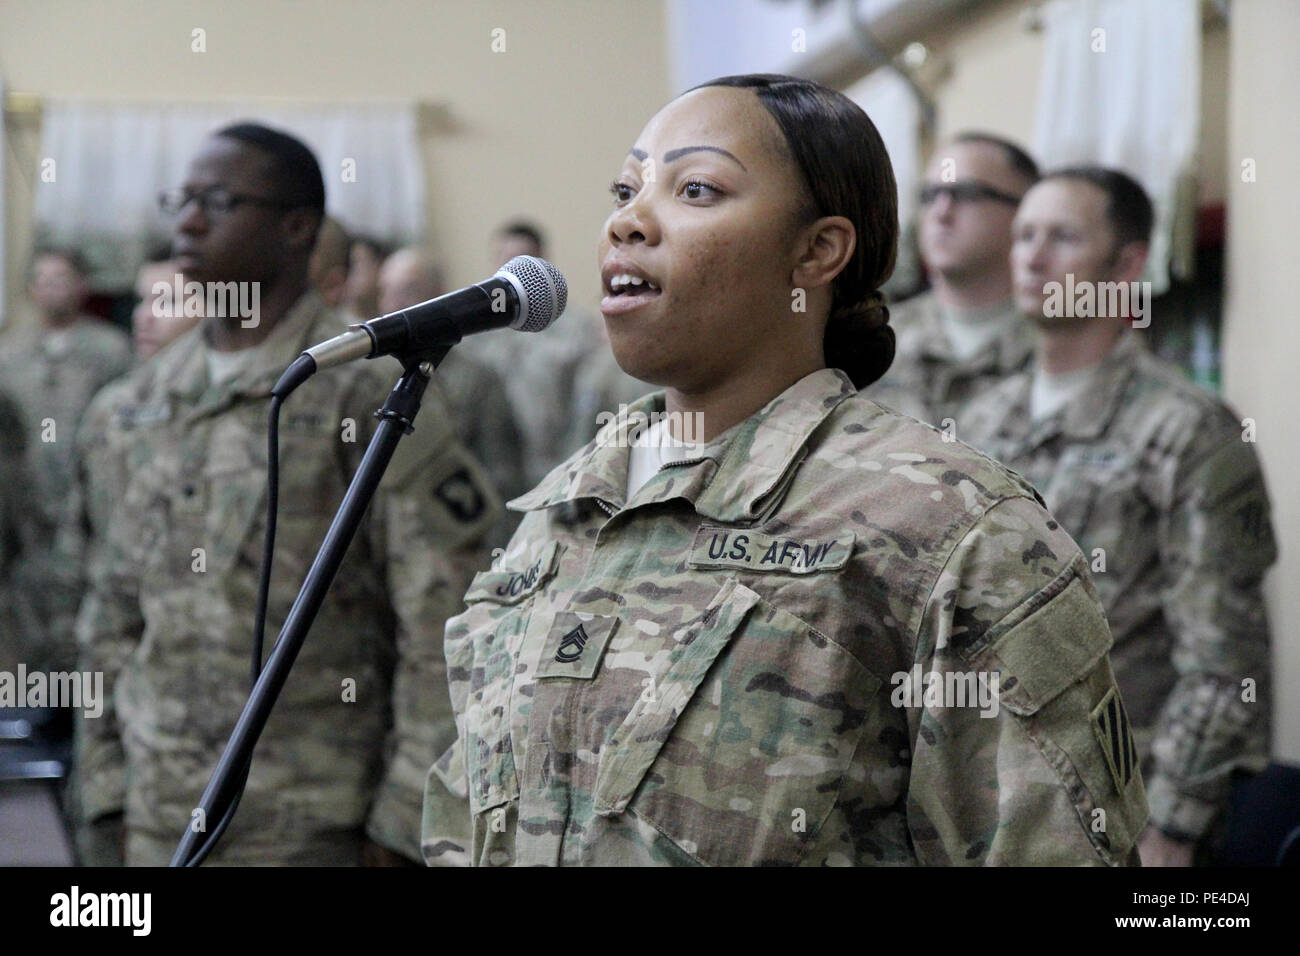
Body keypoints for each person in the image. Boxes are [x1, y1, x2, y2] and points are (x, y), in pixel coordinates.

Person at [420, 74, 1147, 867]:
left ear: (816, 250)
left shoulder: (952, 530)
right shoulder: (559, 515)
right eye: (625, 189)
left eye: (694, 188)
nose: (628, 221)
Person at [76, 122, 502, 866]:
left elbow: (448, 618)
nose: (187, 219)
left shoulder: (372, 393)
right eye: (181, 198)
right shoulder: (130, 407)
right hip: (157, 817)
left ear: (296, 227)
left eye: (218, 199)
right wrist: (107, 788)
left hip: (314, 824)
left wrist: (406, 818)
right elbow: (109, 617)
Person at [960, 167, 1276, 867]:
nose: (1032, 258)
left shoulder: (1187, 428)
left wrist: (1172, 825)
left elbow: (1225, 659)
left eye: (1062, 238)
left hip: (1118, 818)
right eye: (1023, 237)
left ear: (1128, 264)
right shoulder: (979, 421)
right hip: (980, 807)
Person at [59, 255, 198, 865]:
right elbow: (90, 564)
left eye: (167, 302)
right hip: (123, 672)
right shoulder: (112, 414)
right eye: (142, 301)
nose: (145, 317)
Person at [0, 248, 132, 671]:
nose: (51, 287)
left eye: (62, 277)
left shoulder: (111, 349)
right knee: (26, 614)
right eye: (42, 278)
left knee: (85, 618)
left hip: (88, 502)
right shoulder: (9, 353)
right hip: (26, 511)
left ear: (81, 285)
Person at [863, 133, 1037, 427]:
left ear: (1027, 211)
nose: (940, 212)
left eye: (967, 194)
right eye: (929, 196)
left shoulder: (1063, 347)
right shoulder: (871, 340)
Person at [377, 246, 528, 543]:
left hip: (457, 540)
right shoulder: (369, 378)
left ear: (440, 294)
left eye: (408, 290)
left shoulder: (478, 378)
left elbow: (504, 480)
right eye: (386, 291)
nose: (394, 303)